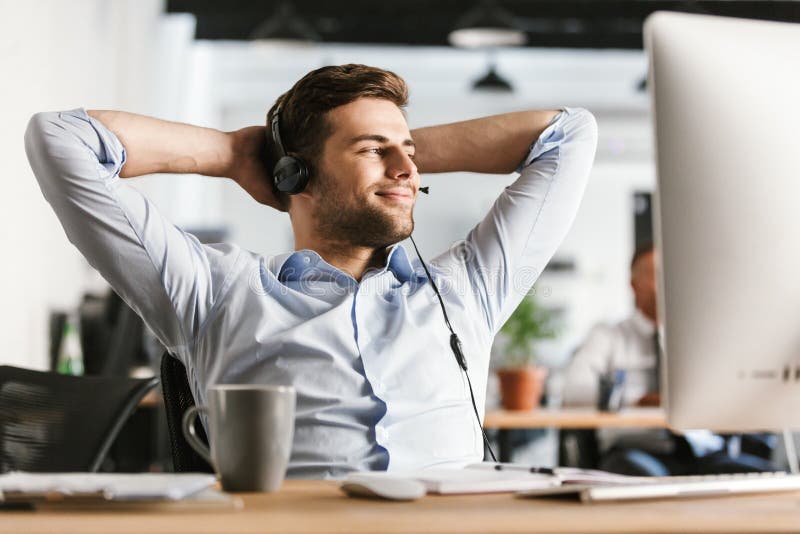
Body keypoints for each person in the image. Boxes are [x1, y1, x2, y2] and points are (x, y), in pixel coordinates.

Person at [26, 64, 597, 479]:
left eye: (410, 153)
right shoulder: (215, 290)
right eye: (373, 150)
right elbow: (59, 138)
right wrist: (234, 153)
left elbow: (569, 136)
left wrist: (392, 158)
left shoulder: (463, 290)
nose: (407, 171)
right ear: (295, 176)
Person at [563, 242, 776, 475]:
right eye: (657, 275)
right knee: (644, 476)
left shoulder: (701, 337)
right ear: (634, 285)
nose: (669, 284)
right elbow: (573, 391)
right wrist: (640, 400)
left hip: (702, 452)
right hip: (635, 450)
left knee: (772, 477)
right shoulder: (608, 336)